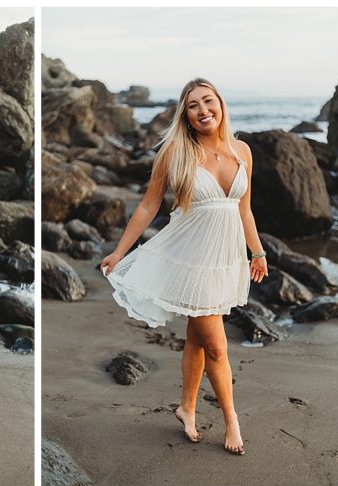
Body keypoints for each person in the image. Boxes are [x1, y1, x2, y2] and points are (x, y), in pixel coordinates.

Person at [100, 78, 268, 456]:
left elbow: (244, 208)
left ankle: (187, 408)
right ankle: (231, 421)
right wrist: (120, 252)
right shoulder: (176, 152)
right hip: (192, 258)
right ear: (186, 115)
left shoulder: (242, 150)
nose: (203, 110)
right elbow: (148, 205)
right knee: (218, 347)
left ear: (221, 104)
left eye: (208, 101)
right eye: (193, 106)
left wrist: (256, 252)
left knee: (197, 337)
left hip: (224, 260)